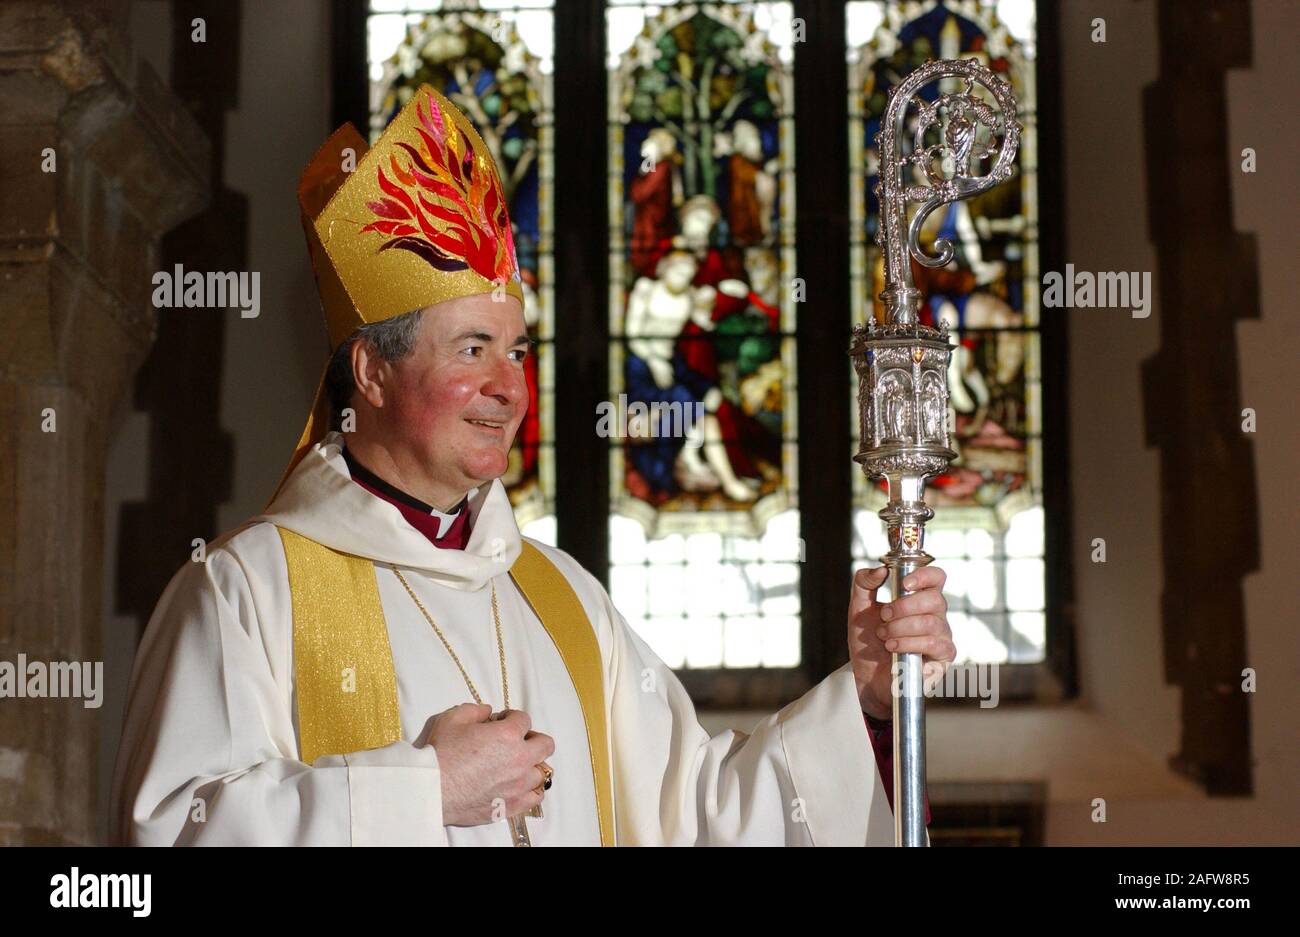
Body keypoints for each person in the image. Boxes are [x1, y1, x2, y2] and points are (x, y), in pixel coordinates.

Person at [110, 85, 955, 846]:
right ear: (369, 371)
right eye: (472, 349)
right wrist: (423, 790)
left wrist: (870, 705)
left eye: (517, 350)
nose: (510, 388)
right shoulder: (245, 592)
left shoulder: (562, 598)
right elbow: (173, 836)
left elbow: (703, 814)